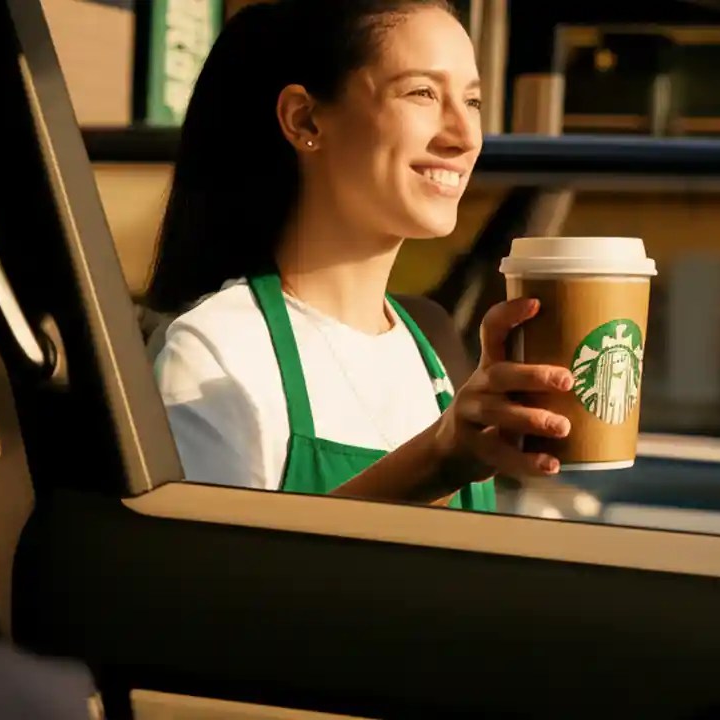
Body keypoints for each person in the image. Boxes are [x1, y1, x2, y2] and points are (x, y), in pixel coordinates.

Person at [147, 0, 574, 508]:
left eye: (473, 102)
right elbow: (225, 582)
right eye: (422, 93)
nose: (463, 137)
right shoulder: (216, 352)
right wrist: (438, 461)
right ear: (304, 119)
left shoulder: (433, 354)